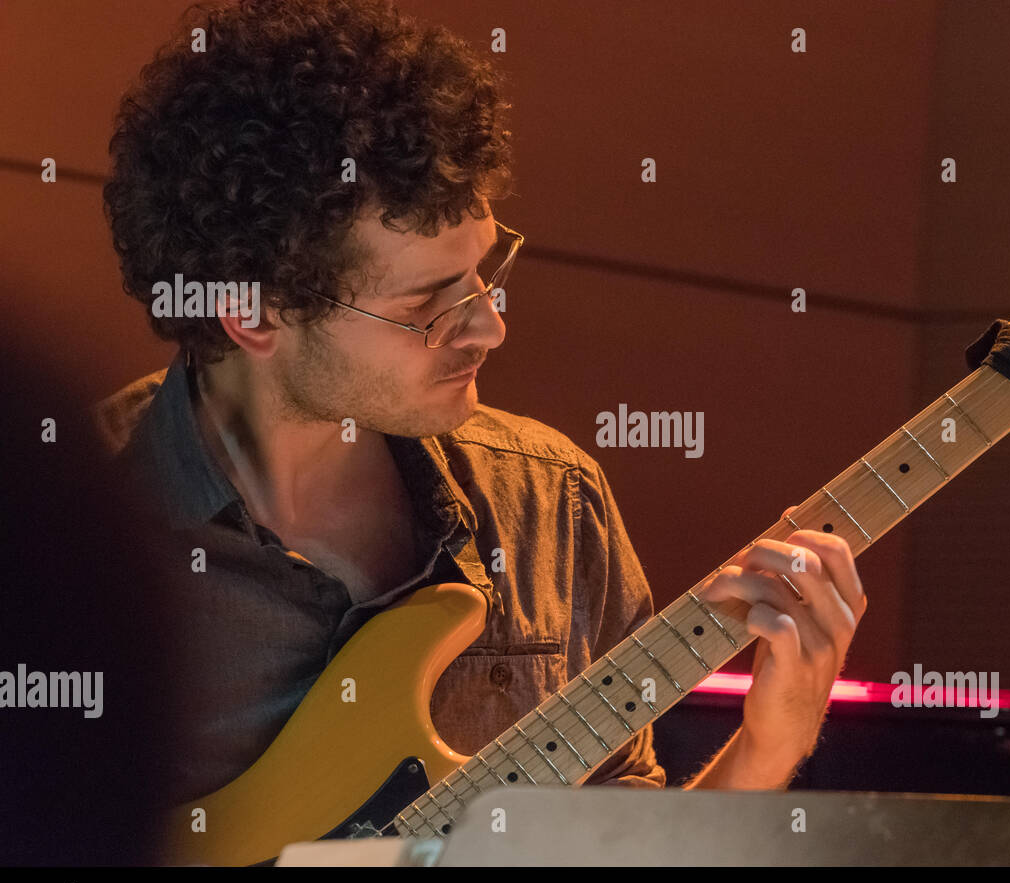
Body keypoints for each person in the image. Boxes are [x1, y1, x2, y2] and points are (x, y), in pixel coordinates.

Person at [94, 0, 868, 813]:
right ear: (252, 315)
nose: (492, 327)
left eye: (487, 274)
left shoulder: (552, 502)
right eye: (431, 303)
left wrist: (766, 749)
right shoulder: (64, 531)